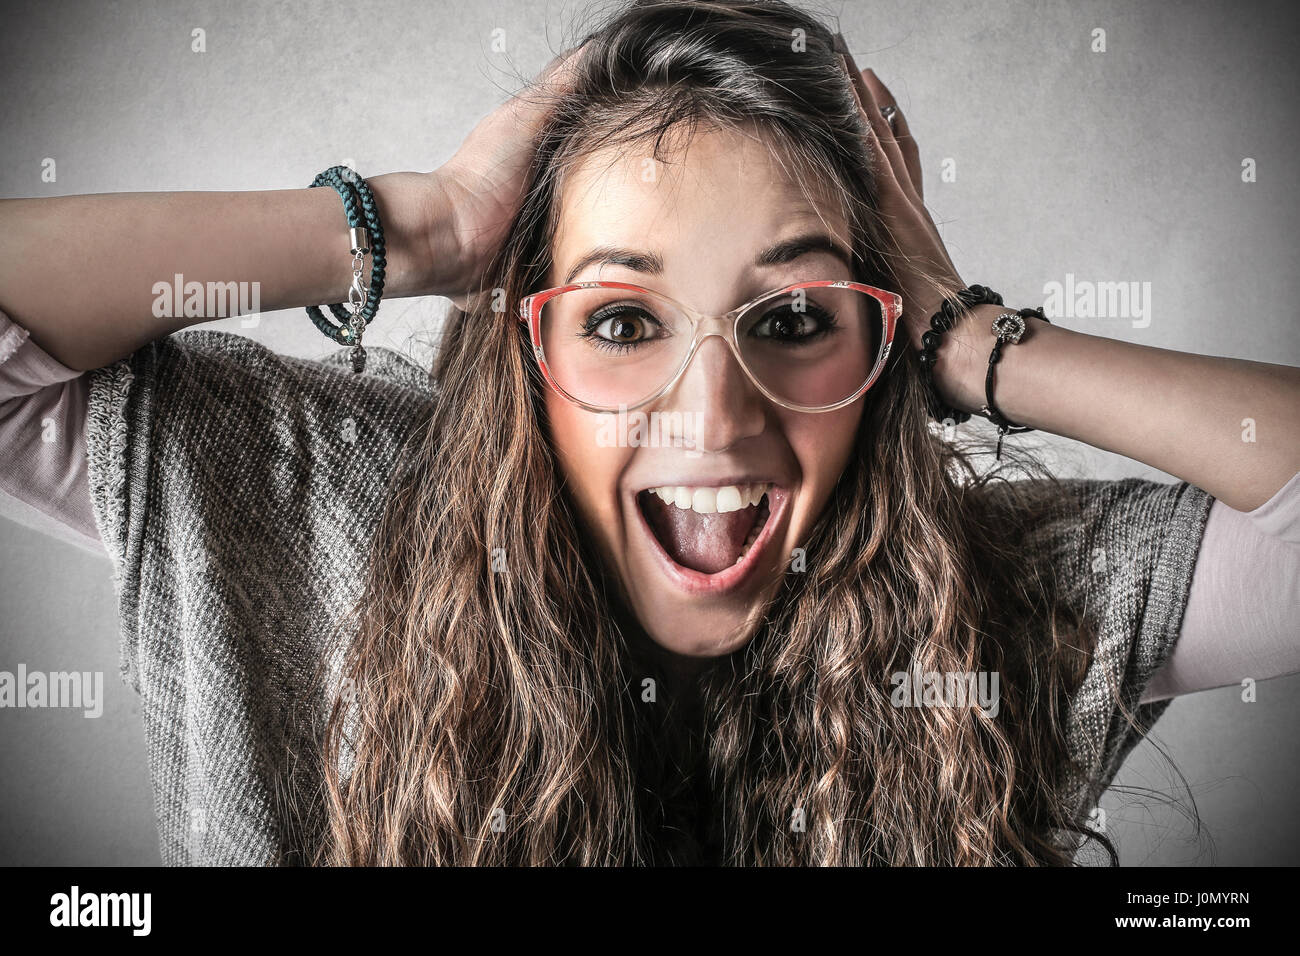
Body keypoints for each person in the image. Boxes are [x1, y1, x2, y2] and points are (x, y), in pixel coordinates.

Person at [1, 0, 1297, 866]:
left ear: (878, 339)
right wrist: (425, 230)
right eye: (623, 323)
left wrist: (965, 333)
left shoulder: (990, 599)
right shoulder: (312, 500)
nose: (715, 416)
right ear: (529, 350)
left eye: (794, 316)